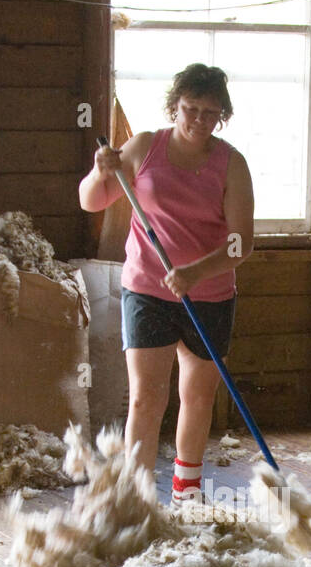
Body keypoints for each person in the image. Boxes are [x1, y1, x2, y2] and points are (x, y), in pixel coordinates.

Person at [79, 63, 254, 503]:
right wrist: (101, 171)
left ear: (222, 117)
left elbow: (241, 243)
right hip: (147, 289)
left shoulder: (231, 164)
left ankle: (186, 494)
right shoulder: (143, 147)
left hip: (210, 293)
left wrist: (196, 272)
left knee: (197, 397)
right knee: (145, 399)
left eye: (210, 113)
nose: (198, 120)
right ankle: (135, 498)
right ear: (174, 106)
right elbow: (91, 201)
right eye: (190, 109)